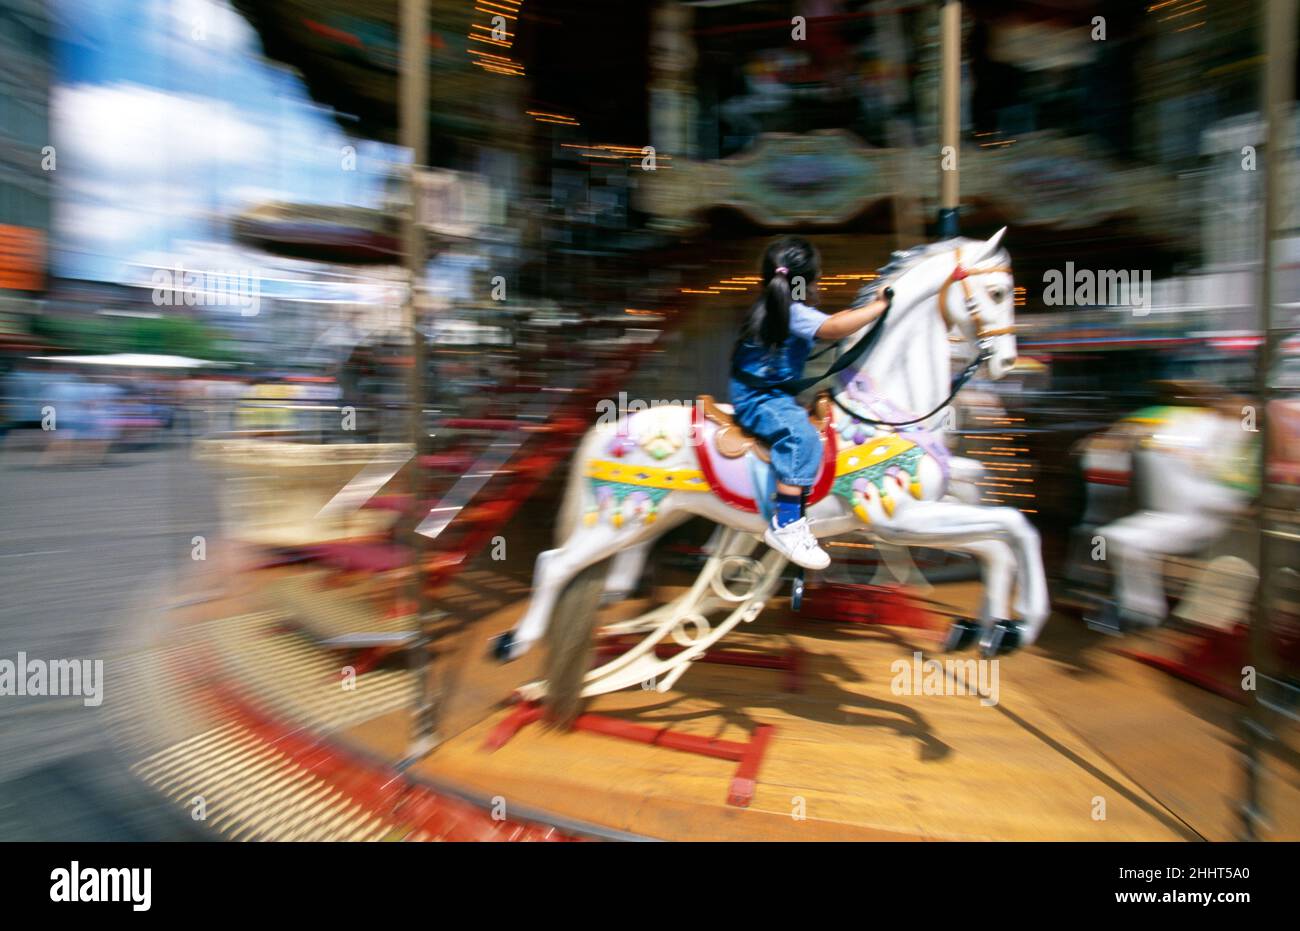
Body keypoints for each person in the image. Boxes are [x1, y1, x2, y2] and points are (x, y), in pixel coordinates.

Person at [729, 236, 892, 569]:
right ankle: (786, 524)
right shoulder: (792, 311)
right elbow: (832, 327)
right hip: (761, 399)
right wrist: (879, 308)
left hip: (767, 394)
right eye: (816, 278)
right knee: (800, 437)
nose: (818, 285)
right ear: (803, 280)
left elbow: (833, 320)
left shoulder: (781, 306)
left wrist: (863, 310)